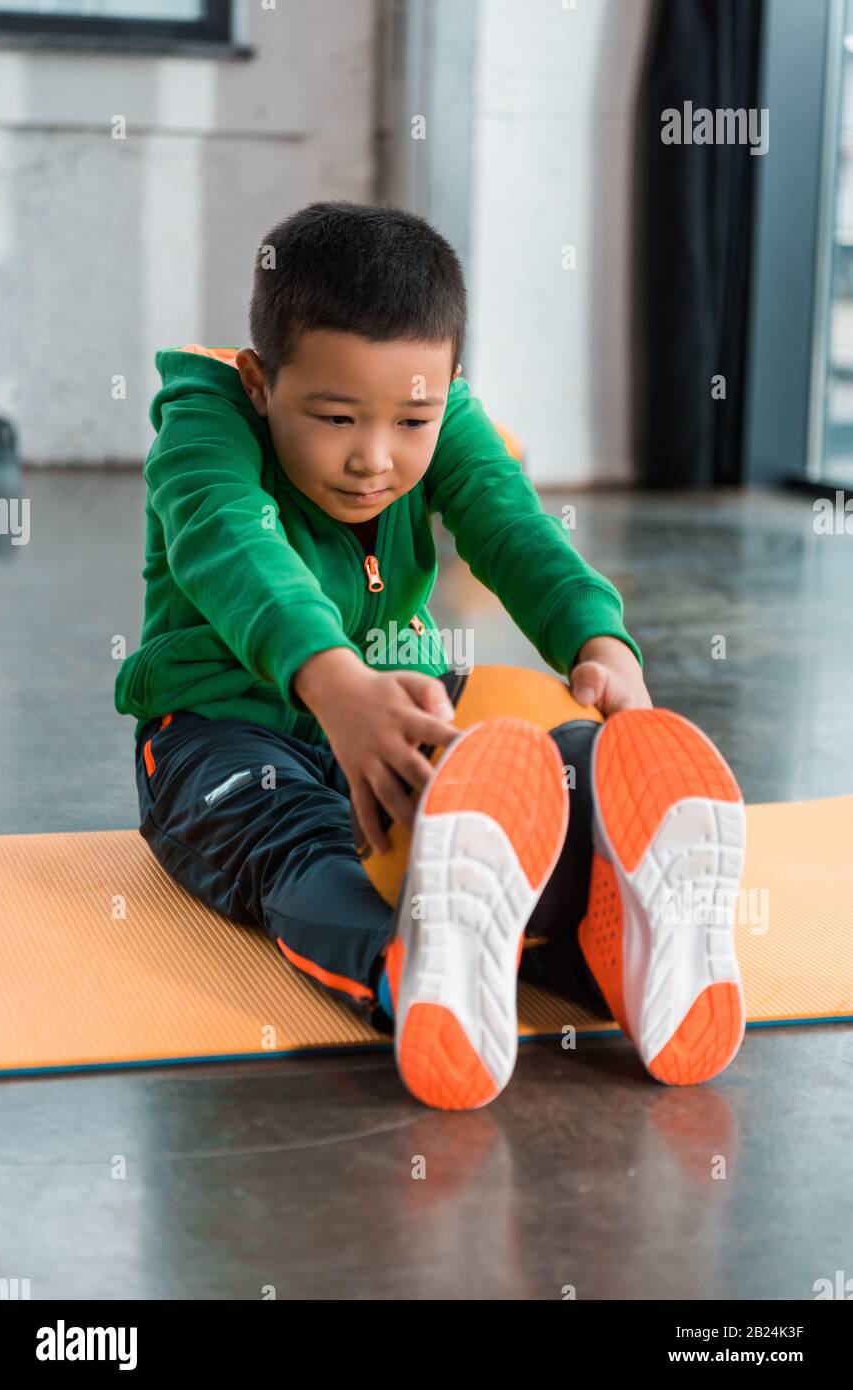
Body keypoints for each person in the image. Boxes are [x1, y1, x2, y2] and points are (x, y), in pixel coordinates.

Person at [116, 200, 745, 1110]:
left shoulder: (441, 413)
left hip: (404, 706)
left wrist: (601, 645)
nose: (374, 458)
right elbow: (233, 548)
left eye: (411, 423)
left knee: (557, 760)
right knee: (299, 842)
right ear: (259, 382)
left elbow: (512, 524)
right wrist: (337, 688)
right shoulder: (203, 422)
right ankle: (411, 965)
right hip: (221, 731)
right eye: (335, 418)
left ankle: (608, 938)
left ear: (446, 385)